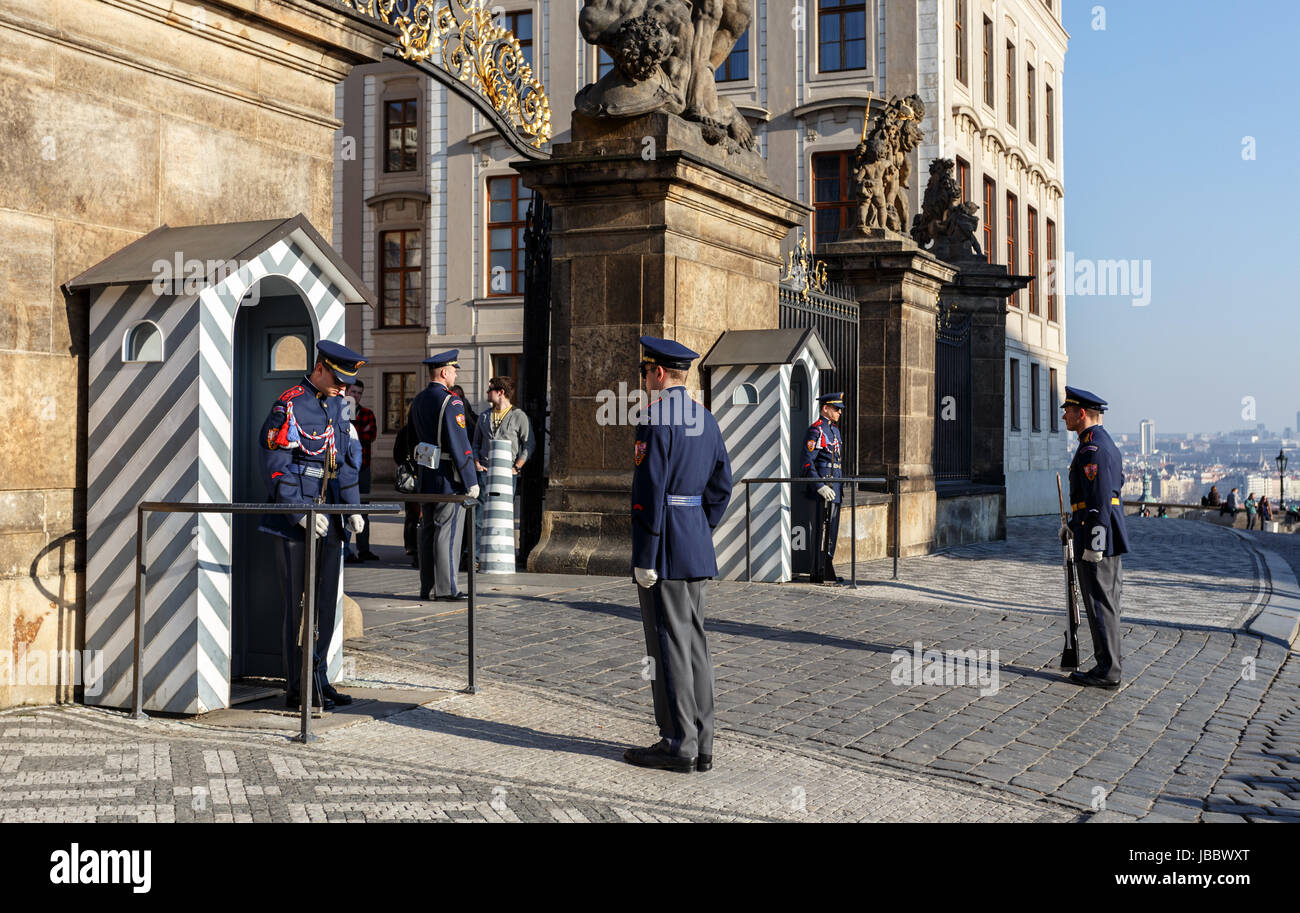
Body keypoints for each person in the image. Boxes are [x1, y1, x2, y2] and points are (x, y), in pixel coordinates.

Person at [625, 336, 732, 773]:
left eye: (647, 373)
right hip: (693, 545)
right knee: (696, 644)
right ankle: (703, 742)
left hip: (665, 546)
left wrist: (646, 554)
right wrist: (699, 529)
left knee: (668, 643)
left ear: (658, 374)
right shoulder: (706, 420)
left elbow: (648, 493)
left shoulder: (655, 419)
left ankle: (678, 743)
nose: (646, 381)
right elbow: (722, 485)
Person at [258, 340, 366, 711]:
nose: (343, 387)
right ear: (320, 368)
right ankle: (297, 686)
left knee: (325, 604)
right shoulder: (288, 403)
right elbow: (276, 461)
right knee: (297, 607)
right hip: (297, 522)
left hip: (330, 516)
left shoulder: (338, 404)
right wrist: (298, 511)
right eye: (338, 378)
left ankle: (318, 677)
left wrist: (351, 507)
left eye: (346, 382)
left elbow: (345, 461)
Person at [1057, 386, 1128, 689]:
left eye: (1068, 410)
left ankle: (1108, 669)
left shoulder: (1092, 449)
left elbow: (1100, 498)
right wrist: (1074, 523)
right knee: (1106, 601)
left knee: (1099, 602)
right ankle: (1109, 663)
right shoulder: (1103, 443)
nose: (1064, 415)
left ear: (1081, 413)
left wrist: (1094, 543)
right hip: (1095, 530)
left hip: (1097, 535)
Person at [409, 350, 479, 601]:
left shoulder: (418, 399)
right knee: (447, 534)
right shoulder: (452, 402)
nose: (456, 373)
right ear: (444, 372)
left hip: (425, 473)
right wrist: (471, 480)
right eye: (454, 370)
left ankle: (427, 586)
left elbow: (411, 437)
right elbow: (460, 444)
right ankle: (447, 588)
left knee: (428, 532)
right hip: (448, 477)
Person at [471, 376, 534, 561]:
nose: (487, 393)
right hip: (485, 471)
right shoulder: (484, 416)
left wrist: (517, 467)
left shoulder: (518, 416)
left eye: (490, 389)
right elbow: (476, 442)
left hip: (506, 474)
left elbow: (529, 444)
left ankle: (499, 555)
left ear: (501, 392)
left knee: (503, 514)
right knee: (479, 515)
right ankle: (475, 557)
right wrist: (476, 461)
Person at [801, 392, 846, 584]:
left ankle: (828, 566)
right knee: (819, 531)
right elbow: (806, 463)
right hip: (823, 487)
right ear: (825, 408)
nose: (839, 413)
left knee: (832, 531)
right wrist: (819, 485)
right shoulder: (816, 431)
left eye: (840, 410)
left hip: (835, 484)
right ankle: (817, 570)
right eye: (836, 409)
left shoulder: (834, 431)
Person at [345, 380, 380, 563]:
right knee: (345, 508)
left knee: (363, 508)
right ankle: (346, 551)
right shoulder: (342, 410)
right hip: (344, 469)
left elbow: (370, 435)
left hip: (363, 467)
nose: (355, 395)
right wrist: (356, 429)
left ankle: (363, 549)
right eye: (353, 392)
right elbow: (344, 436)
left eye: (359, 393)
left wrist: (355, 431)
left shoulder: (367, 413)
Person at [393, 419, 421, 564]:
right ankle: (412, 545)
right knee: (415, 513)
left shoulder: (406, 430)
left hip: (413, 474)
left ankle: (411, 545)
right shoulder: (412, 430)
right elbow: (397, 453)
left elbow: (397, 454)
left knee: (412, 513)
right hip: (417, 475)